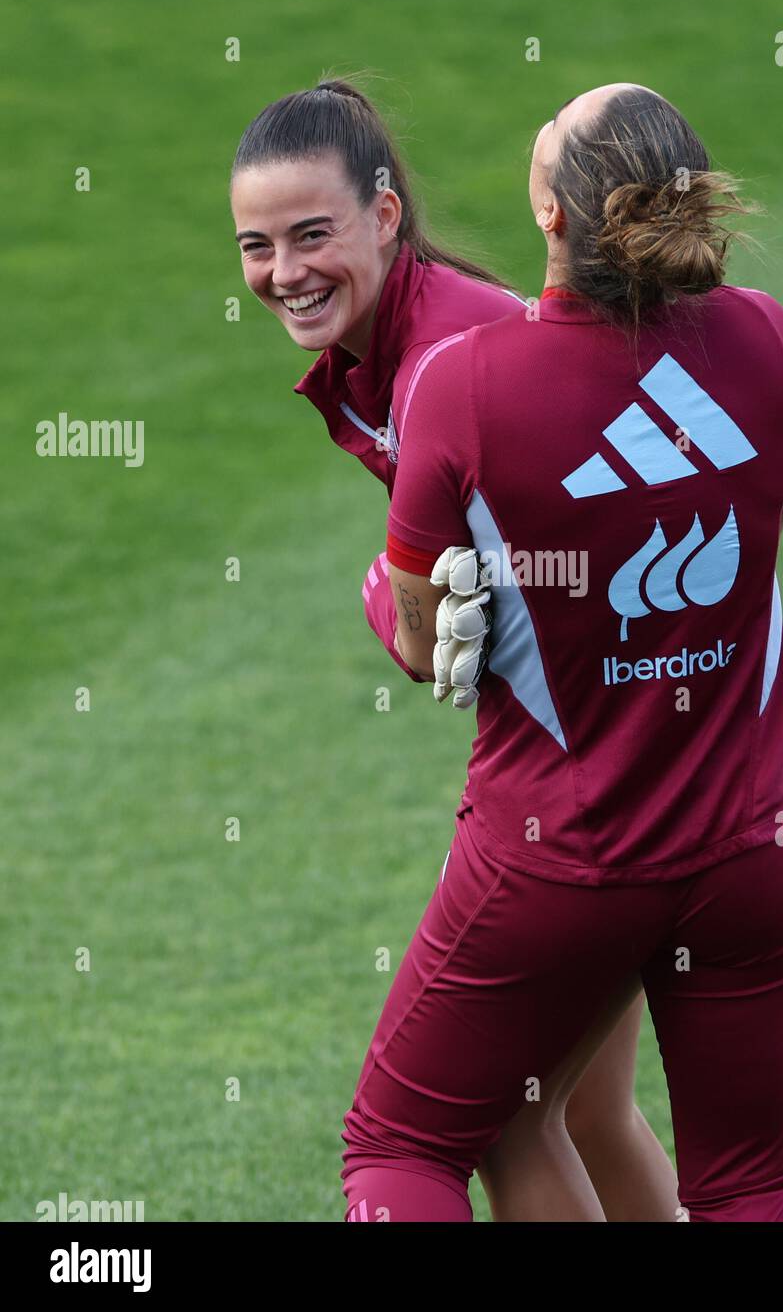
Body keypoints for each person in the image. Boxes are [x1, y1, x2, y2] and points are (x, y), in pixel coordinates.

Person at [339, 82, 783, 1222]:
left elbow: (424, 640)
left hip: (560, 862)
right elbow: (764, 518)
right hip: (761, 853)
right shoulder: (767, 338)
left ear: (554, 214)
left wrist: (382, 597)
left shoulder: (464, 384)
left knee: (400, 1142)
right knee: (750, 1185)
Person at [229, 77, 679, 1221]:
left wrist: (391, 603)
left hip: (591, 787)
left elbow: (449, 634)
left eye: (311, 234)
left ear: (387, 215)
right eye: (257, 244)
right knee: (575, 1107)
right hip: (644, 761)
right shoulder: (405, 346)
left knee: (493, 1115)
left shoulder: (448, 361)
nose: (285, 270)